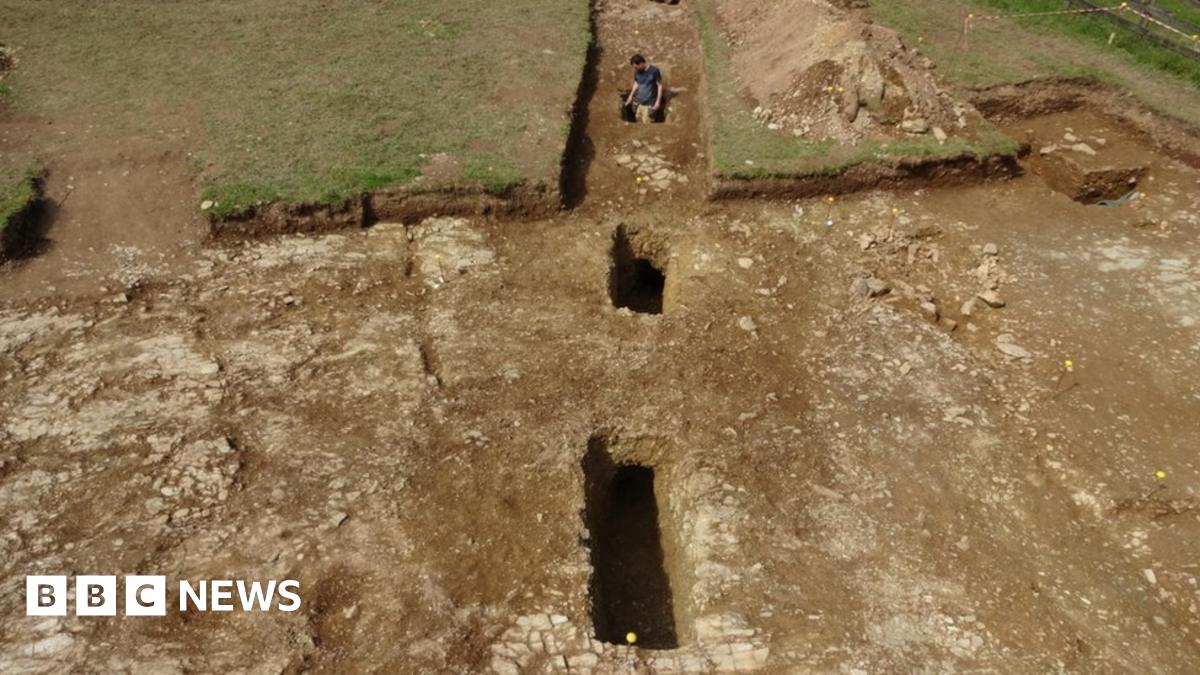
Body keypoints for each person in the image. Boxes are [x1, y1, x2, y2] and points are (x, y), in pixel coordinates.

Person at [625, 54, 663, 124]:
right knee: (638, 122)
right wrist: (630, 96)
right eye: (634, 68)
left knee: (647, 124)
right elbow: (636, 83)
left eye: (636, 67)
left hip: (649, 104)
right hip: (638, 103)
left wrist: (658, 102)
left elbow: (659, 86)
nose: (635, 69)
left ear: (642, 63)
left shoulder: (654, 71)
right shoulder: (637, 72)